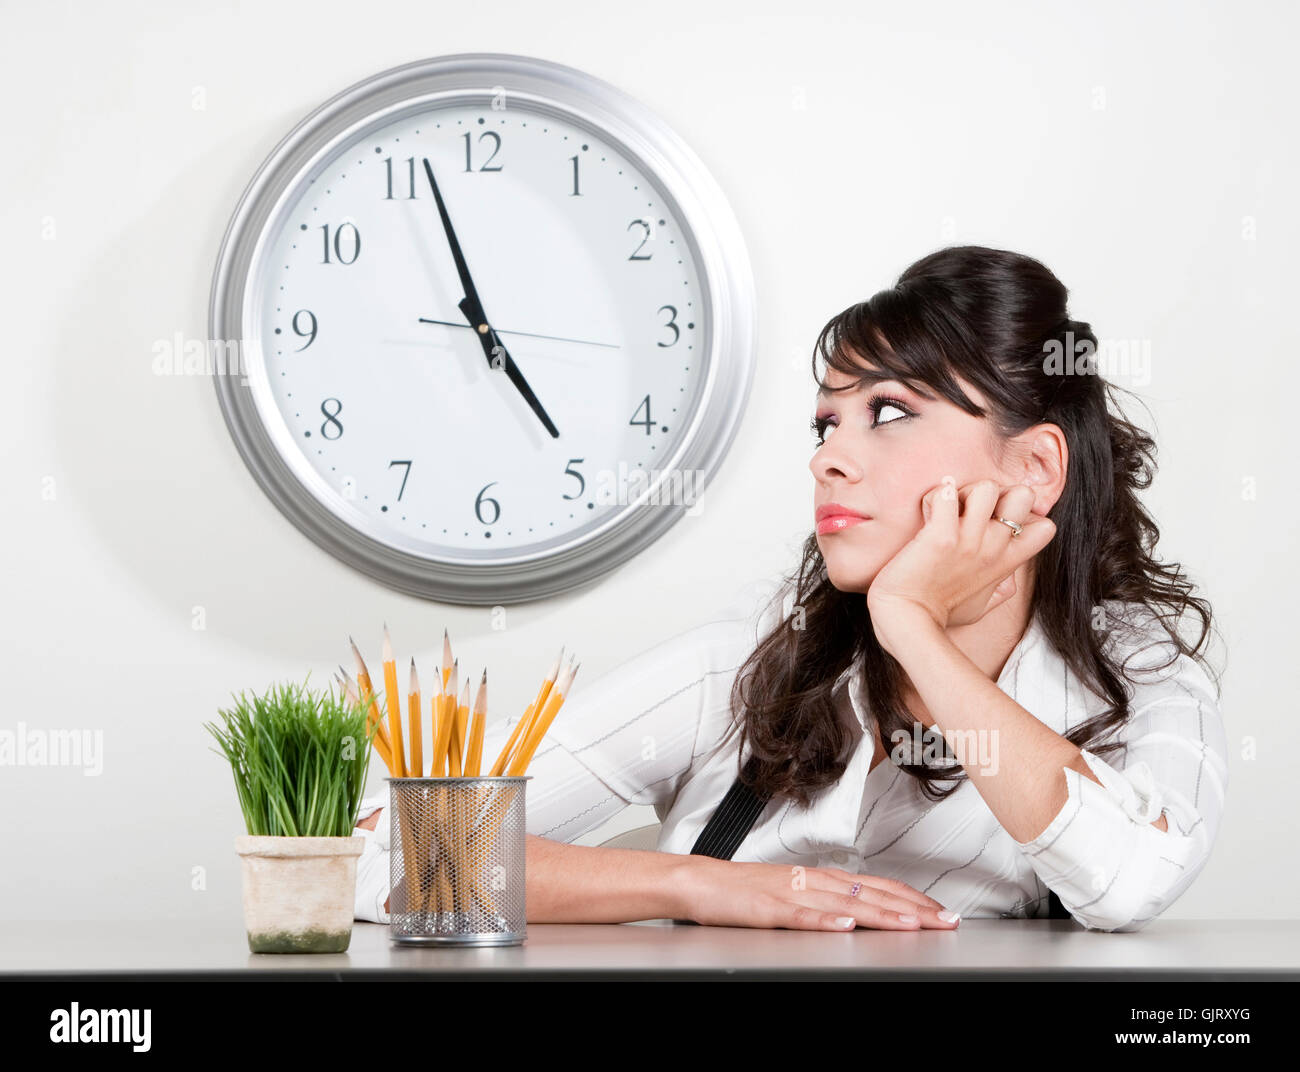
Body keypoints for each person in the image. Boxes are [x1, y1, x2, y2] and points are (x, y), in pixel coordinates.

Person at [354, 245, 1227, 933]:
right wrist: (701, 886)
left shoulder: (1142, 675)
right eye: (825, 423)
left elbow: (1132, 883)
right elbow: (384, 851)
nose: (827, 458)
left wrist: (911, 626)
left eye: (887, 411)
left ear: (1036, 467)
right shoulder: (741, 666)